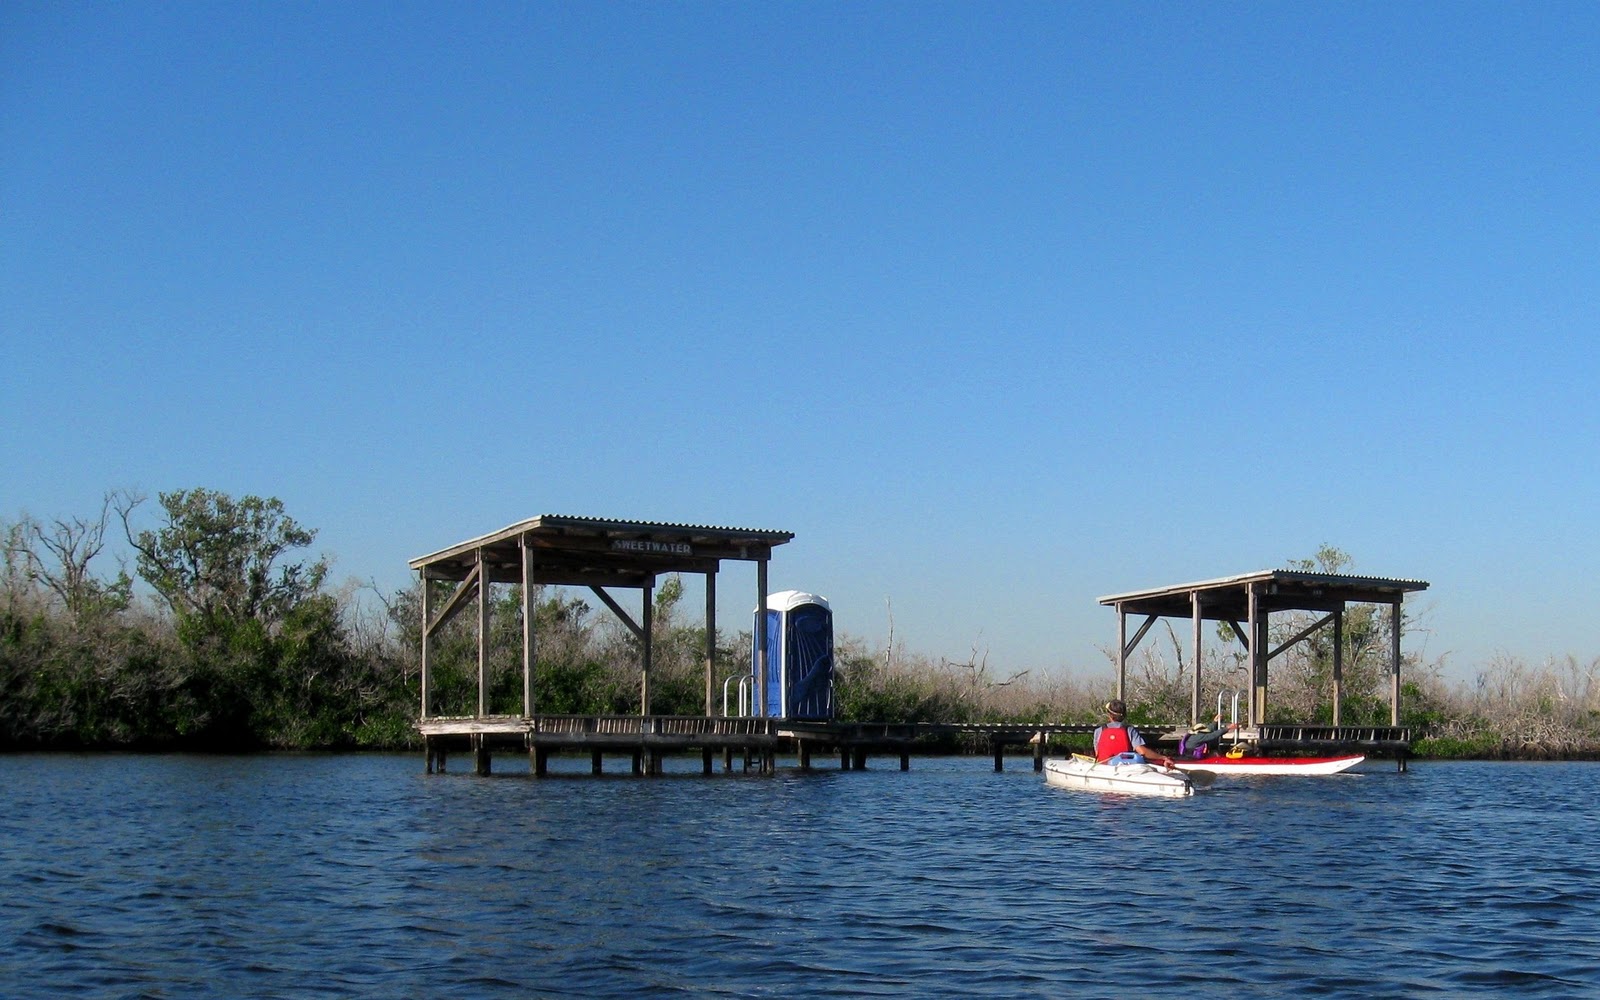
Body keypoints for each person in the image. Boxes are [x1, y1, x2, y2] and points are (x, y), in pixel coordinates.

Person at [1093, 699, 1176, 768]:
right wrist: (1163, 758)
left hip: (1103, 769)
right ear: (1124, 715)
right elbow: (1142, 751)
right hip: (1125, 769)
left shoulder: (1099, 731)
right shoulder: (1129, 730)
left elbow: (1098, 753)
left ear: (1109, 715)